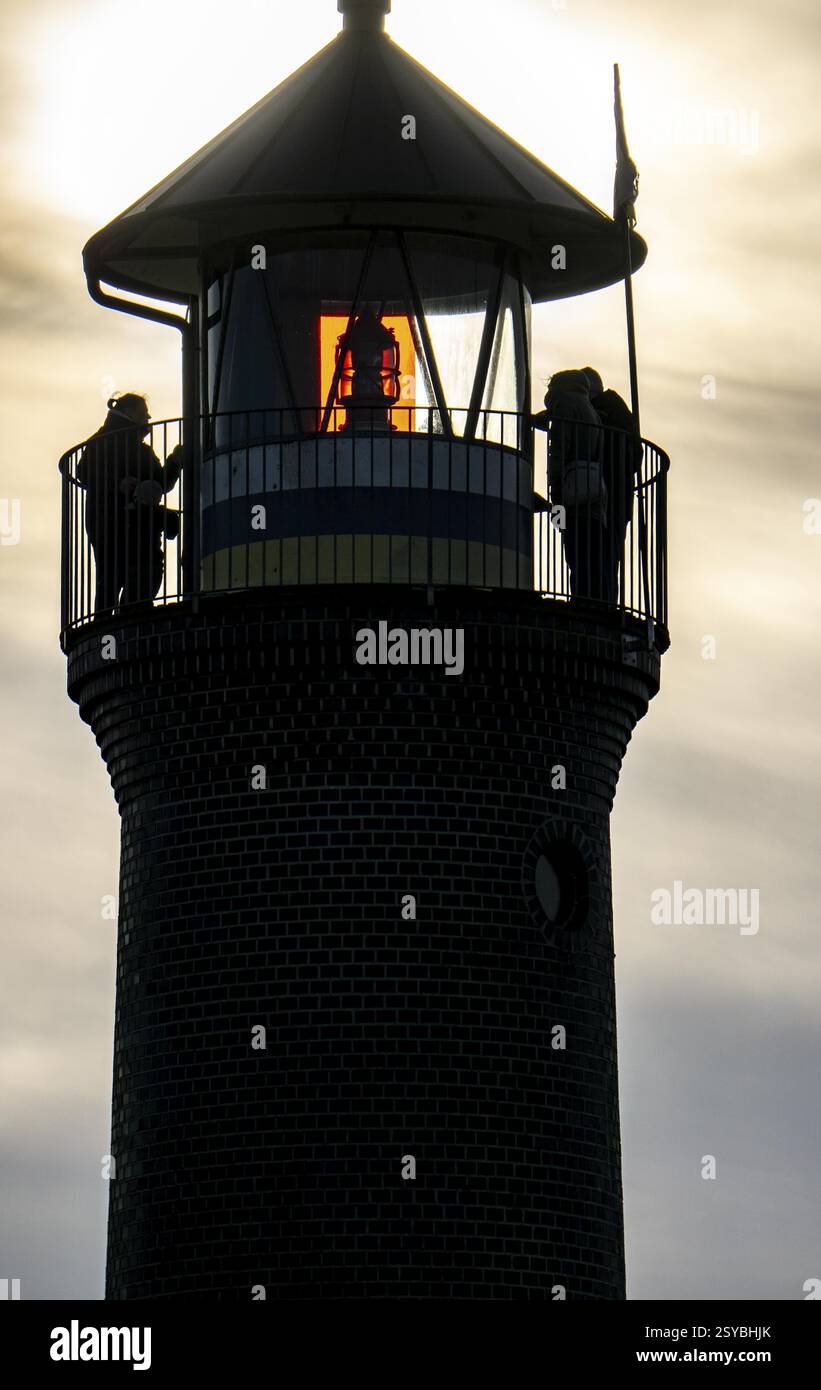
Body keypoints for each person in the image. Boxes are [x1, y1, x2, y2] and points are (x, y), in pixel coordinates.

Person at [76, 394, 183, 614]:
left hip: (133, 525)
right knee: (113, 577)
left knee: (132, 575)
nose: (149, 417)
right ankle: (110, 626)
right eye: (143, 412)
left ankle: (112, 627)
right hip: (110, 523)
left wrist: (174, 463)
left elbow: (159, 483)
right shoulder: (103, 441)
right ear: (131, 412)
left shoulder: (139, 450)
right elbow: (83, 472)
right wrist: (118, 484)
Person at [534, 369, 607, 601]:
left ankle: (581, 602)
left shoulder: (564, 405)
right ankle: (596, 604)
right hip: (595, 498)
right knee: (593, 557)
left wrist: (556, 497)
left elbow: (559, 451)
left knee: (575, 554)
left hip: (572, 496)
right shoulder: (590, 409)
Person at [581, 368, 643, 603]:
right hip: (619, 499)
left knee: (597, 552)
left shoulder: (602, 411)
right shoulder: (619, 413)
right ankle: (606, 603)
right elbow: (637, 457)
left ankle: (594, 602)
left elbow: (633, 457)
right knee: (610, 554)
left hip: (605, 498)